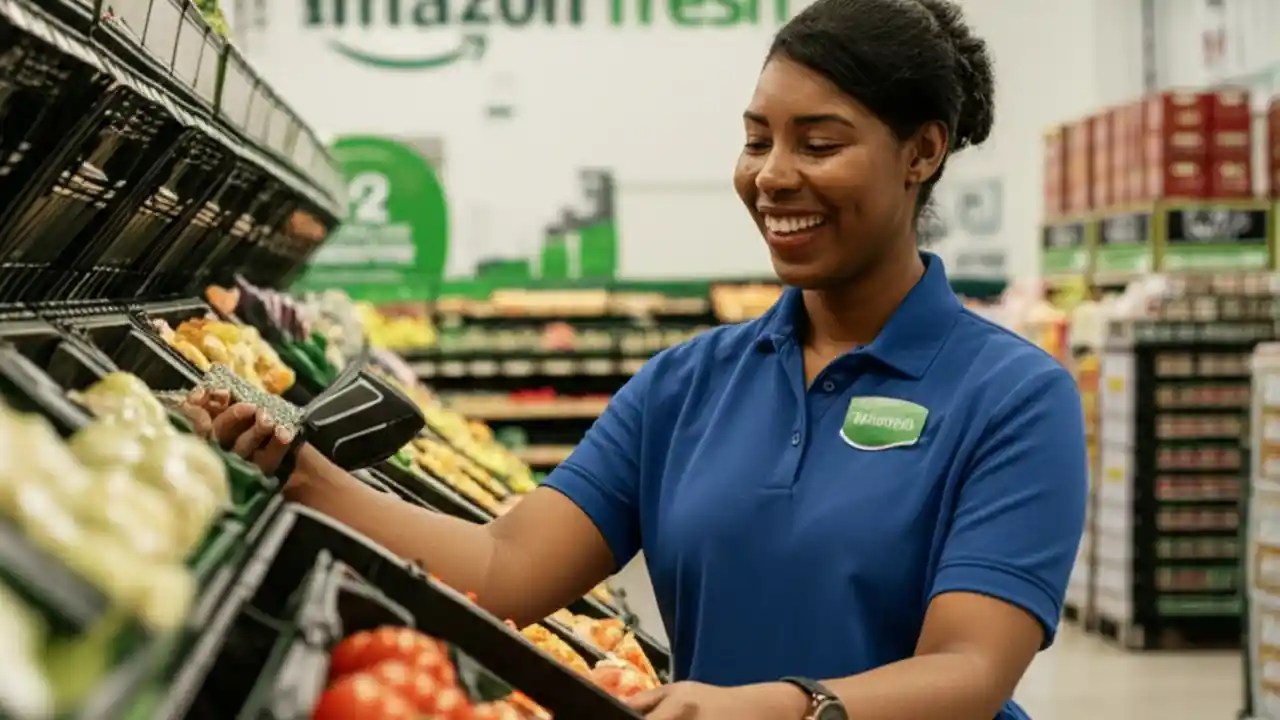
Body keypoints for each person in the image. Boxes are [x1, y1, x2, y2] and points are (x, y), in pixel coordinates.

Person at [183, 1, 1087, 718]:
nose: (772, 174)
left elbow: (969, 670)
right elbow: (506, 566)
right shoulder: (688, 383)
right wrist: (300, 472)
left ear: (922, 153)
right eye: (756, 137)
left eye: (819, 143)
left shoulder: (1012, 397)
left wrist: (783, 707)